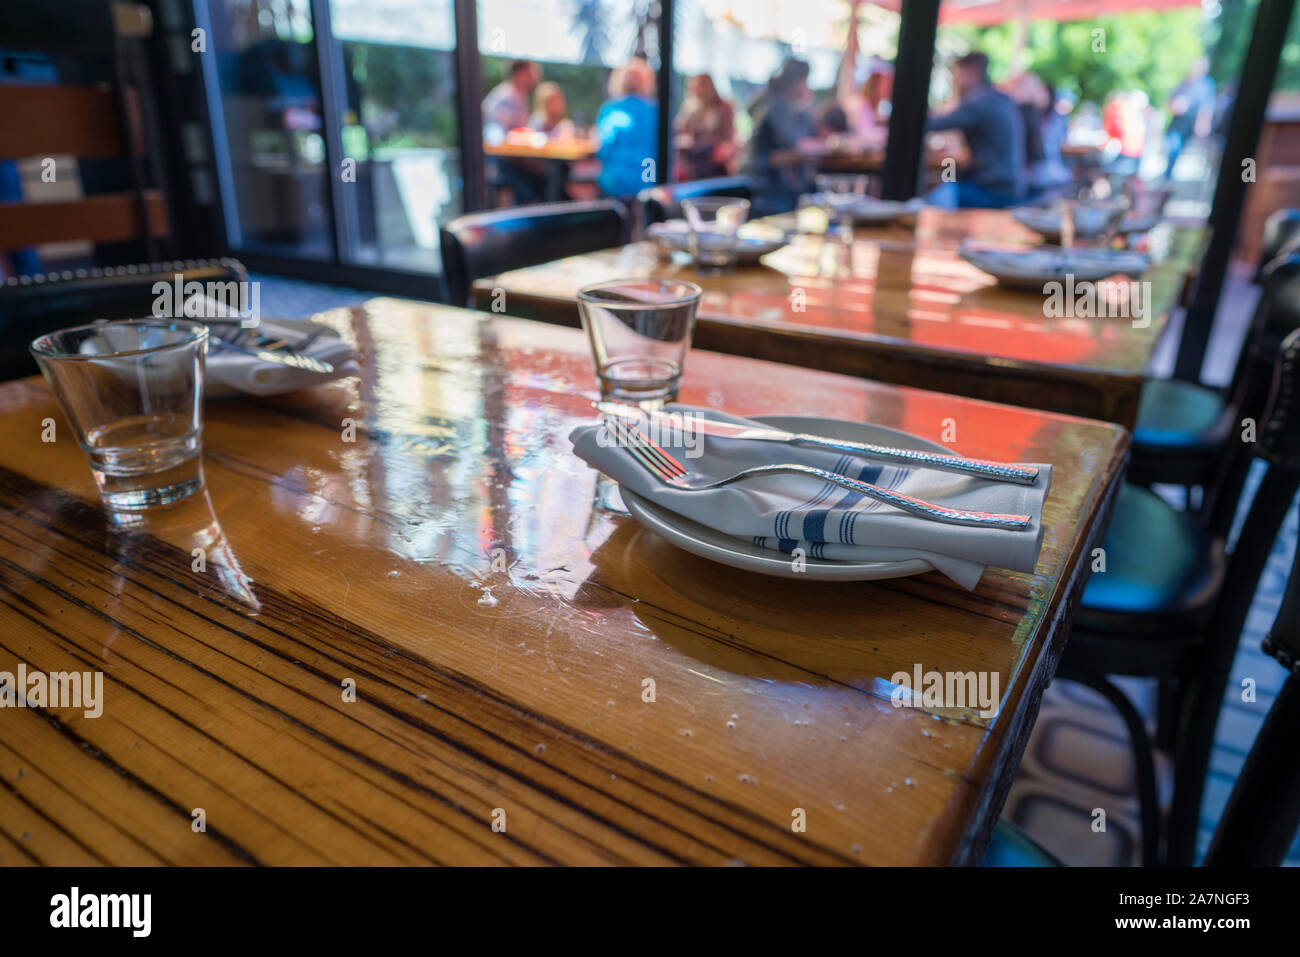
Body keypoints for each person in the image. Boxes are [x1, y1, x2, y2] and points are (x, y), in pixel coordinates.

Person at [925, 51, 1025, 209]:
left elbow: (933, 124)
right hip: (1009, 187)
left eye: (956, 74)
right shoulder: (996, 98)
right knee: (944, 182)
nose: (954, 81)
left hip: (993, 191)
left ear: (972, 72)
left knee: (934, 199)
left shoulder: (980, 101)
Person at [741, 58, 817, 215]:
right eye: (805, 82)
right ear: (797, 82)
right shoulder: (778, 106)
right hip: (764, 185)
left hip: (758, 179)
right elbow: (797, 144)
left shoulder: (771, 101)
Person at [483, 59, 546, 204]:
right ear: (520, 73)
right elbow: (494, 136)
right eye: (532, 72)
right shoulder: (504, 97)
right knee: (534, 187)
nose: (536, 76)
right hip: (500, 163)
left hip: (515, 159)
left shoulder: (520, 96)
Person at [596, 58, 658, 198]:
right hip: (649, 178)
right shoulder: (656, 111)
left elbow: (604, 148)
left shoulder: (612, 108)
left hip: (616, 182)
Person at [674, 74, 736, 180]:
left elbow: (727, 137)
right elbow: (681, 128)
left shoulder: (724, 108)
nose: (694, 91)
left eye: (695, 87)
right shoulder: (693, 108)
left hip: (713, 156)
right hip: (696, 155)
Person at [1164, 58, 1216, 179]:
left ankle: (1168, 175)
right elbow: (1170, 101)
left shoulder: (1206, 85)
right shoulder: (1183, 83)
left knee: (1179, 150)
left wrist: (1203, 123)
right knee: (1173, 147)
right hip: (1177, 124)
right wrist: (1175, 105)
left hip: (1190, 125)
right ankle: (1167, 176)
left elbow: (1207, 106)